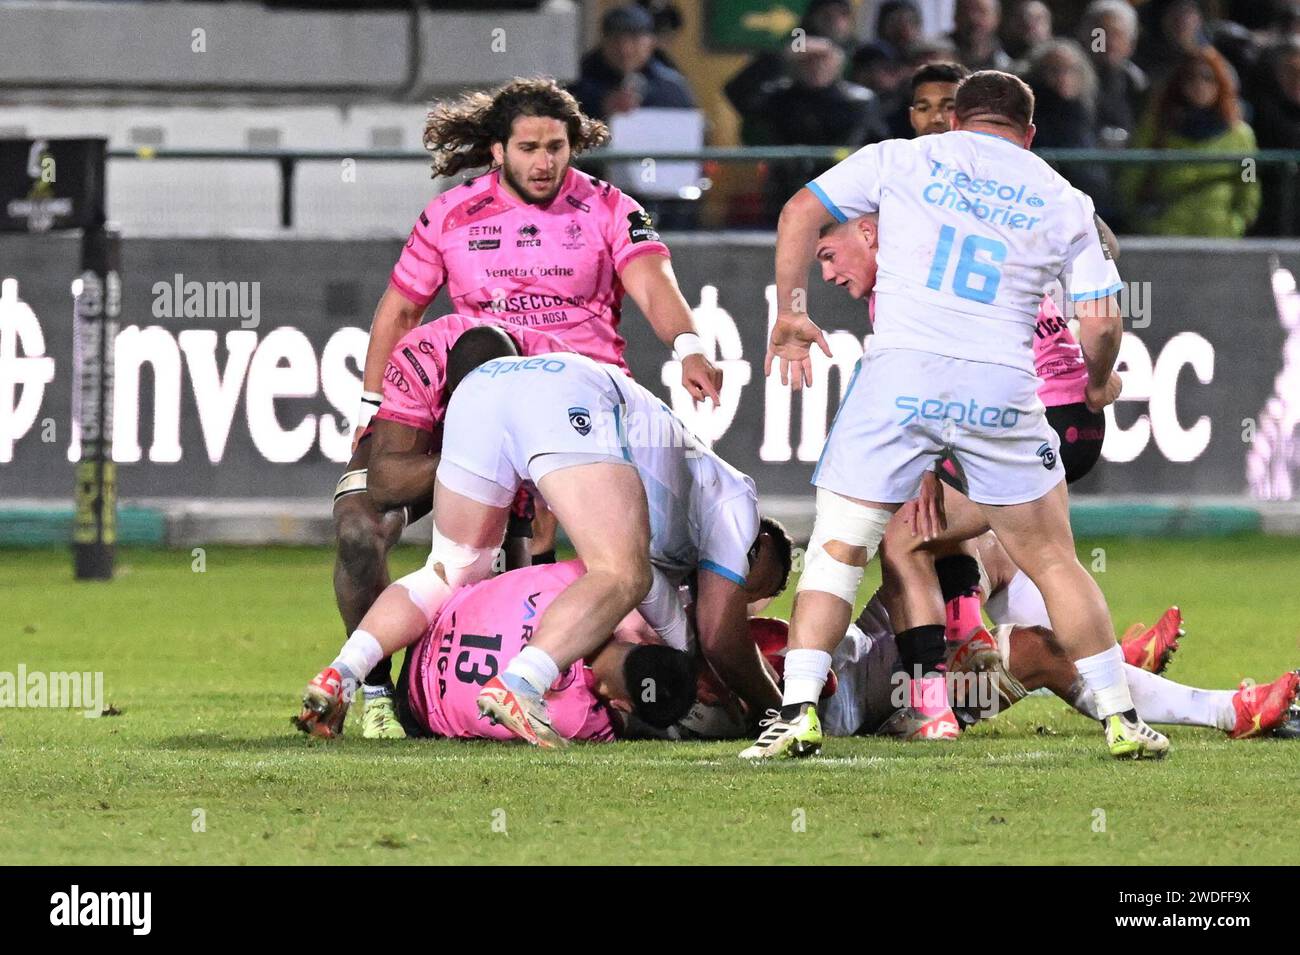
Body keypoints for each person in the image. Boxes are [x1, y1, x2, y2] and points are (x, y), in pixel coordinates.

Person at [746, 70, 1168, 761]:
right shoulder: (1063, 197)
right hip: (999, 383)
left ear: (958, 120)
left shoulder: (902, 157)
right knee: (1053, 559)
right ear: (1029, 134)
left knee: (840, 547)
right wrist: (1095, 382)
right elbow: (1100, 318)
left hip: (900, 378)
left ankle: (796, 712)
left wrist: (791, 315)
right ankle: (1119, 716)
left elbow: (798, 210)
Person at [332, 77, 723, 737]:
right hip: (477, 412)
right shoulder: (451, 214)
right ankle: (377, 695)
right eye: (530, 148)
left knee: (652, 547)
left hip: (581, 412)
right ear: (496, 151)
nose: (546, 162)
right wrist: (371, 409)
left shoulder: (608, 207)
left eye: (558, 147)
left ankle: (669, 683)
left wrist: (687, 345)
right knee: (355, 527)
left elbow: (653, 282)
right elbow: (401, 310)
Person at [300, 333, 786, 746]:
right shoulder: (735, 505)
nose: (741, 595)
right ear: (757, 542)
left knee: (452, 570)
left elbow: (666, 600)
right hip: (563, 397)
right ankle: (522, 683)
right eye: (751, 585)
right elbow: (721, 637)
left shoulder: (685, 530)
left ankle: (343, 672)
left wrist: (690, 660)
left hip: (483, 390)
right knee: (620, 573)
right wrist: (774, 708)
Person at [1123, 46, 1261, 238]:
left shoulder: (1240, 135)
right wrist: (1146, 223)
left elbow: (1249, 184)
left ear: (1221, 83)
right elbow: (1132, 179)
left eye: (1208, 78)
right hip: (1167, 236)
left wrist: (1237, 222)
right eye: (1190, 77)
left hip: (1220, 236)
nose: (1199, 84)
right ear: (1179, 83)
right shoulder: (1156, 128)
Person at [568, 4, 696, 122]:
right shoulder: (577, 82)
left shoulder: (671, 87)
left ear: (651, 42)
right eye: (615, 40)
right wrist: (601, 105)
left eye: (634, 40)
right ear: (603, 42)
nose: (625, 50)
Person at [1079, 0, 1149, 157]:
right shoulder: (1069, 79)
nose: (1109, 42)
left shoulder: (1139, 84)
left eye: (1117, 34)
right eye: (1101, 33)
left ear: (1131, 42)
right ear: (1085, 34)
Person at [951, 0, 1012, 71]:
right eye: (965, 11)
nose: (973, 19)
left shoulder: (1008, 66)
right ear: (956, 16)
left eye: (981, 12)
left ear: (996, 17)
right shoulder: (938, 55)